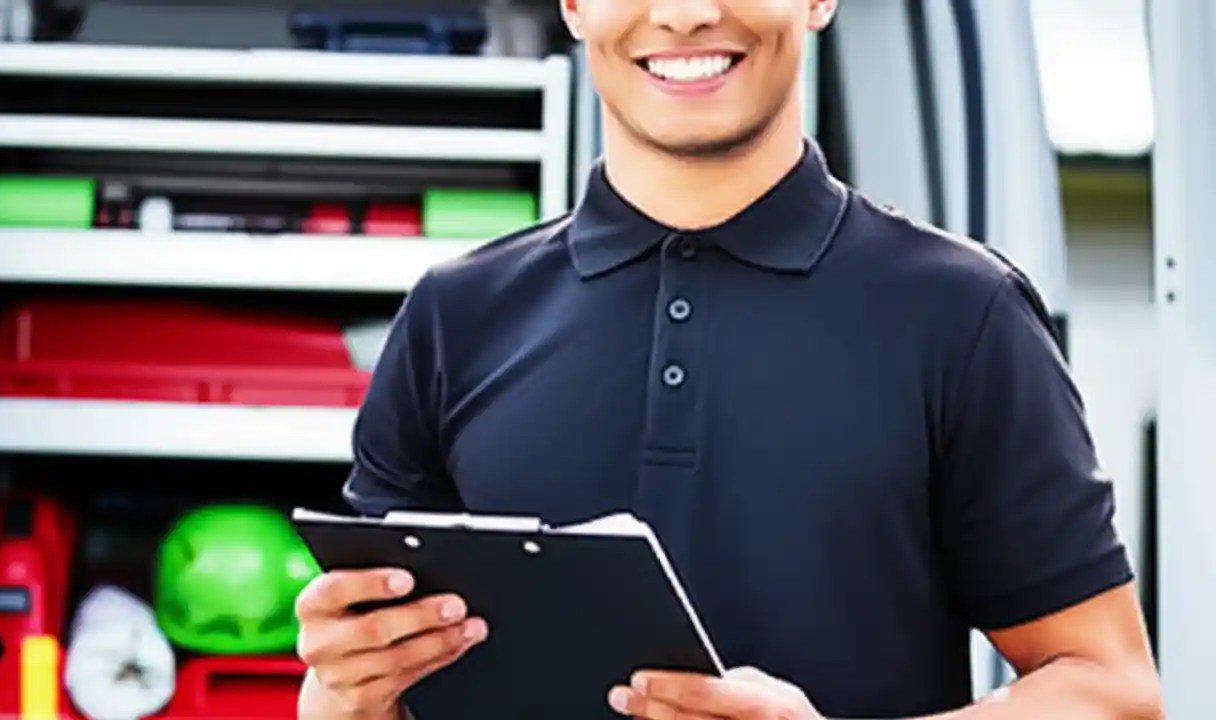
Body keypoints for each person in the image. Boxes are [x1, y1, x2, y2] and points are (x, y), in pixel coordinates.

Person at [294, 0, 1164, 718]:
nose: (685, 14)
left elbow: (1112, 693)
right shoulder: (456, 314)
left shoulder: (962, 314)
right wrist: (342, 694)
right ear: (573, 6)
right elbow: (355, 689)